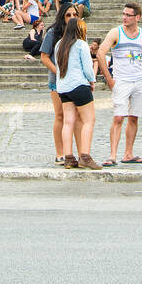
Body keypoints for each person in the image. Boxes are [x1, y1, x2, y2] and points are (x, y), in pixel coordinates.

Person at [97, 1, 142, 165]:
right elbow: (101, 53)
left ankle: (128, 153)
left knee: (134, 117)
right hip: (121, 80)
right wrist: (109, 79)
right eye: (123, 14)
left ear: (137, 17)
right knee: (118, 117)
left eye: (128, 15)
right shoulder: (115, 33)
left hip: (139, 80)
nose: (124, 17)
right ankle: (112, 155)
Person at [48, 16, 101, 170]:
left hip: (63, 87)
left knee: (68, 122)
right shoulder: (81, 45)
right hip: (79, 85)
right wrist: (92, 81)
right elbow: (87, 68)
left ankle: (68, 157)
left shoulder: (59, 45)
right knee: (89, 120)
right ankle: (85, 156)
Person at [41, 4, 86, 165]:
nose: (72, 18)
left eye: (75, 14)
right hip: (57, 82)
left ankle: (81, 153)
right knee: (61, 115)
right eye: (68, 15)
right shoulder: (53, 33)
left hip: (76, 82)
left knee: (79, 117)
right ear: (62, 16)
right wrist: (59, 73)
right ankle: (60, 153)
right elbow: (44, 57)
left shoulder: (79, 33)